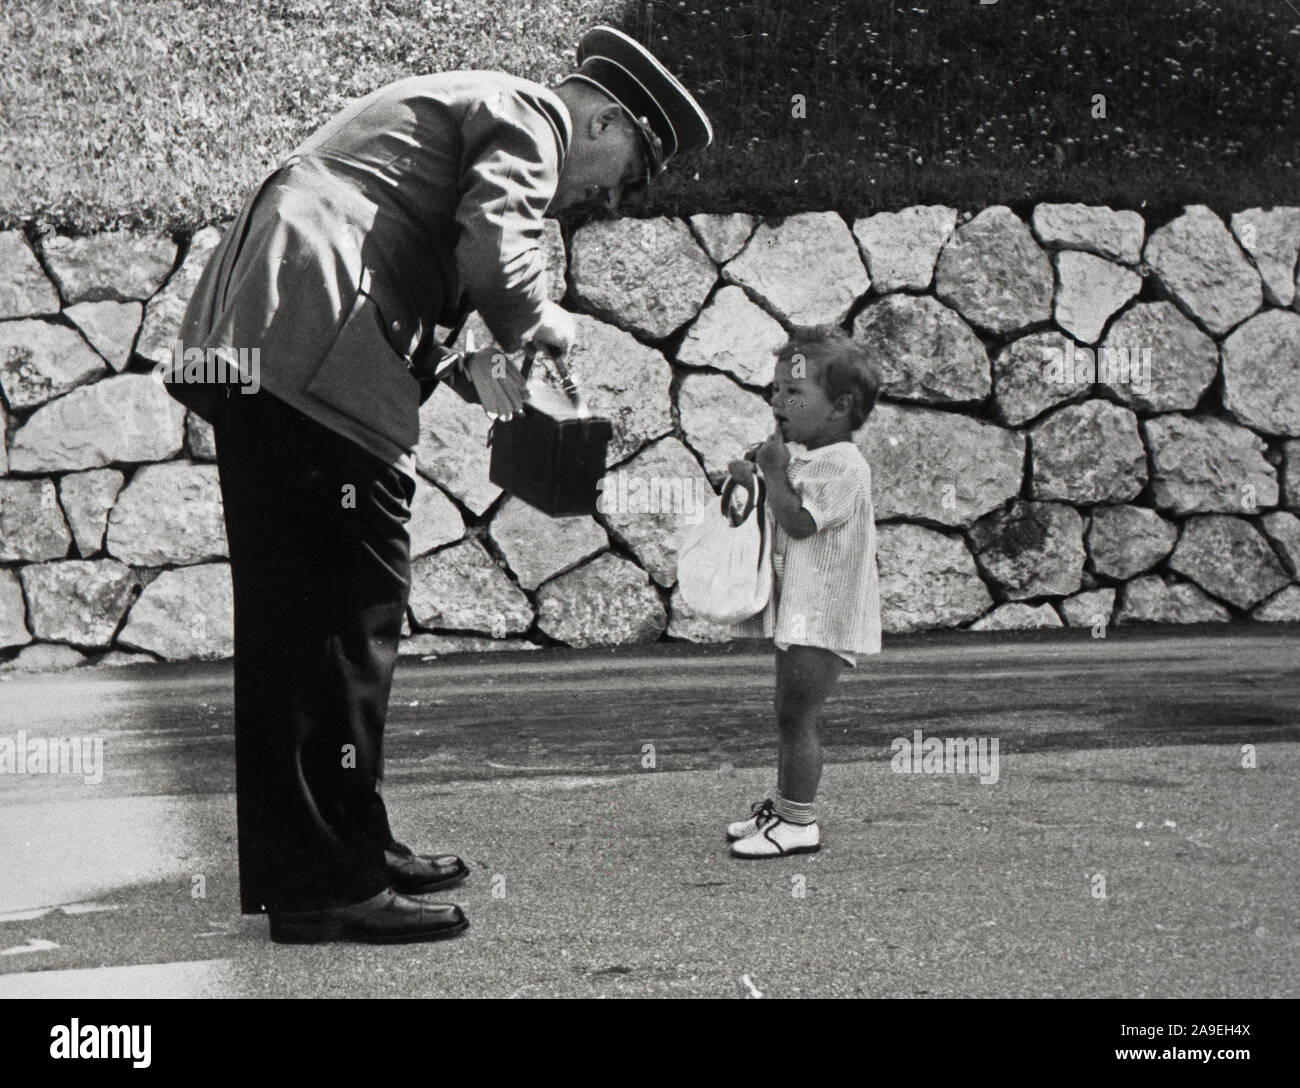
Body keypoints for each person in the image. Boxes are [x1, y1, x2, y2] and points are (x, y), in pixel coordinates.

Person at [161, 26, 712, 943]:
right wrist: (541, 322)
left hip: (278, 336)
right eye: (626, 176)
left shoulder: (467, 107)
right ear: (606, 118)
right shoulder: (532, 117)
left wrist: (467, 366)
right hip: (314, 357)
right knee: (340, 620)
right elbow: (495, 253)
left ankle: (349, 848)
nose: (605, 200)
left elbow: (411, 239)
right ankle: (323, 886)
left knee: (316, 616)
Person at [726, 330, 883, 859]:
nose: (777, 402)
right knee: (786, 712)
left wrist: (773, 474)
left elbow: (797, 523)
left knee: (798, 717)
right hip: (802, 612)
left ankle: (799, 822)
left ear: (840, 407)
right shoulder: (808, 458)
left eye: (794, 394)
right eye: (775, 391)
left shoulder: (844, 466)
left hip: (825, 615)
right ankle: (784, 804)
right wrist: (759, 475)